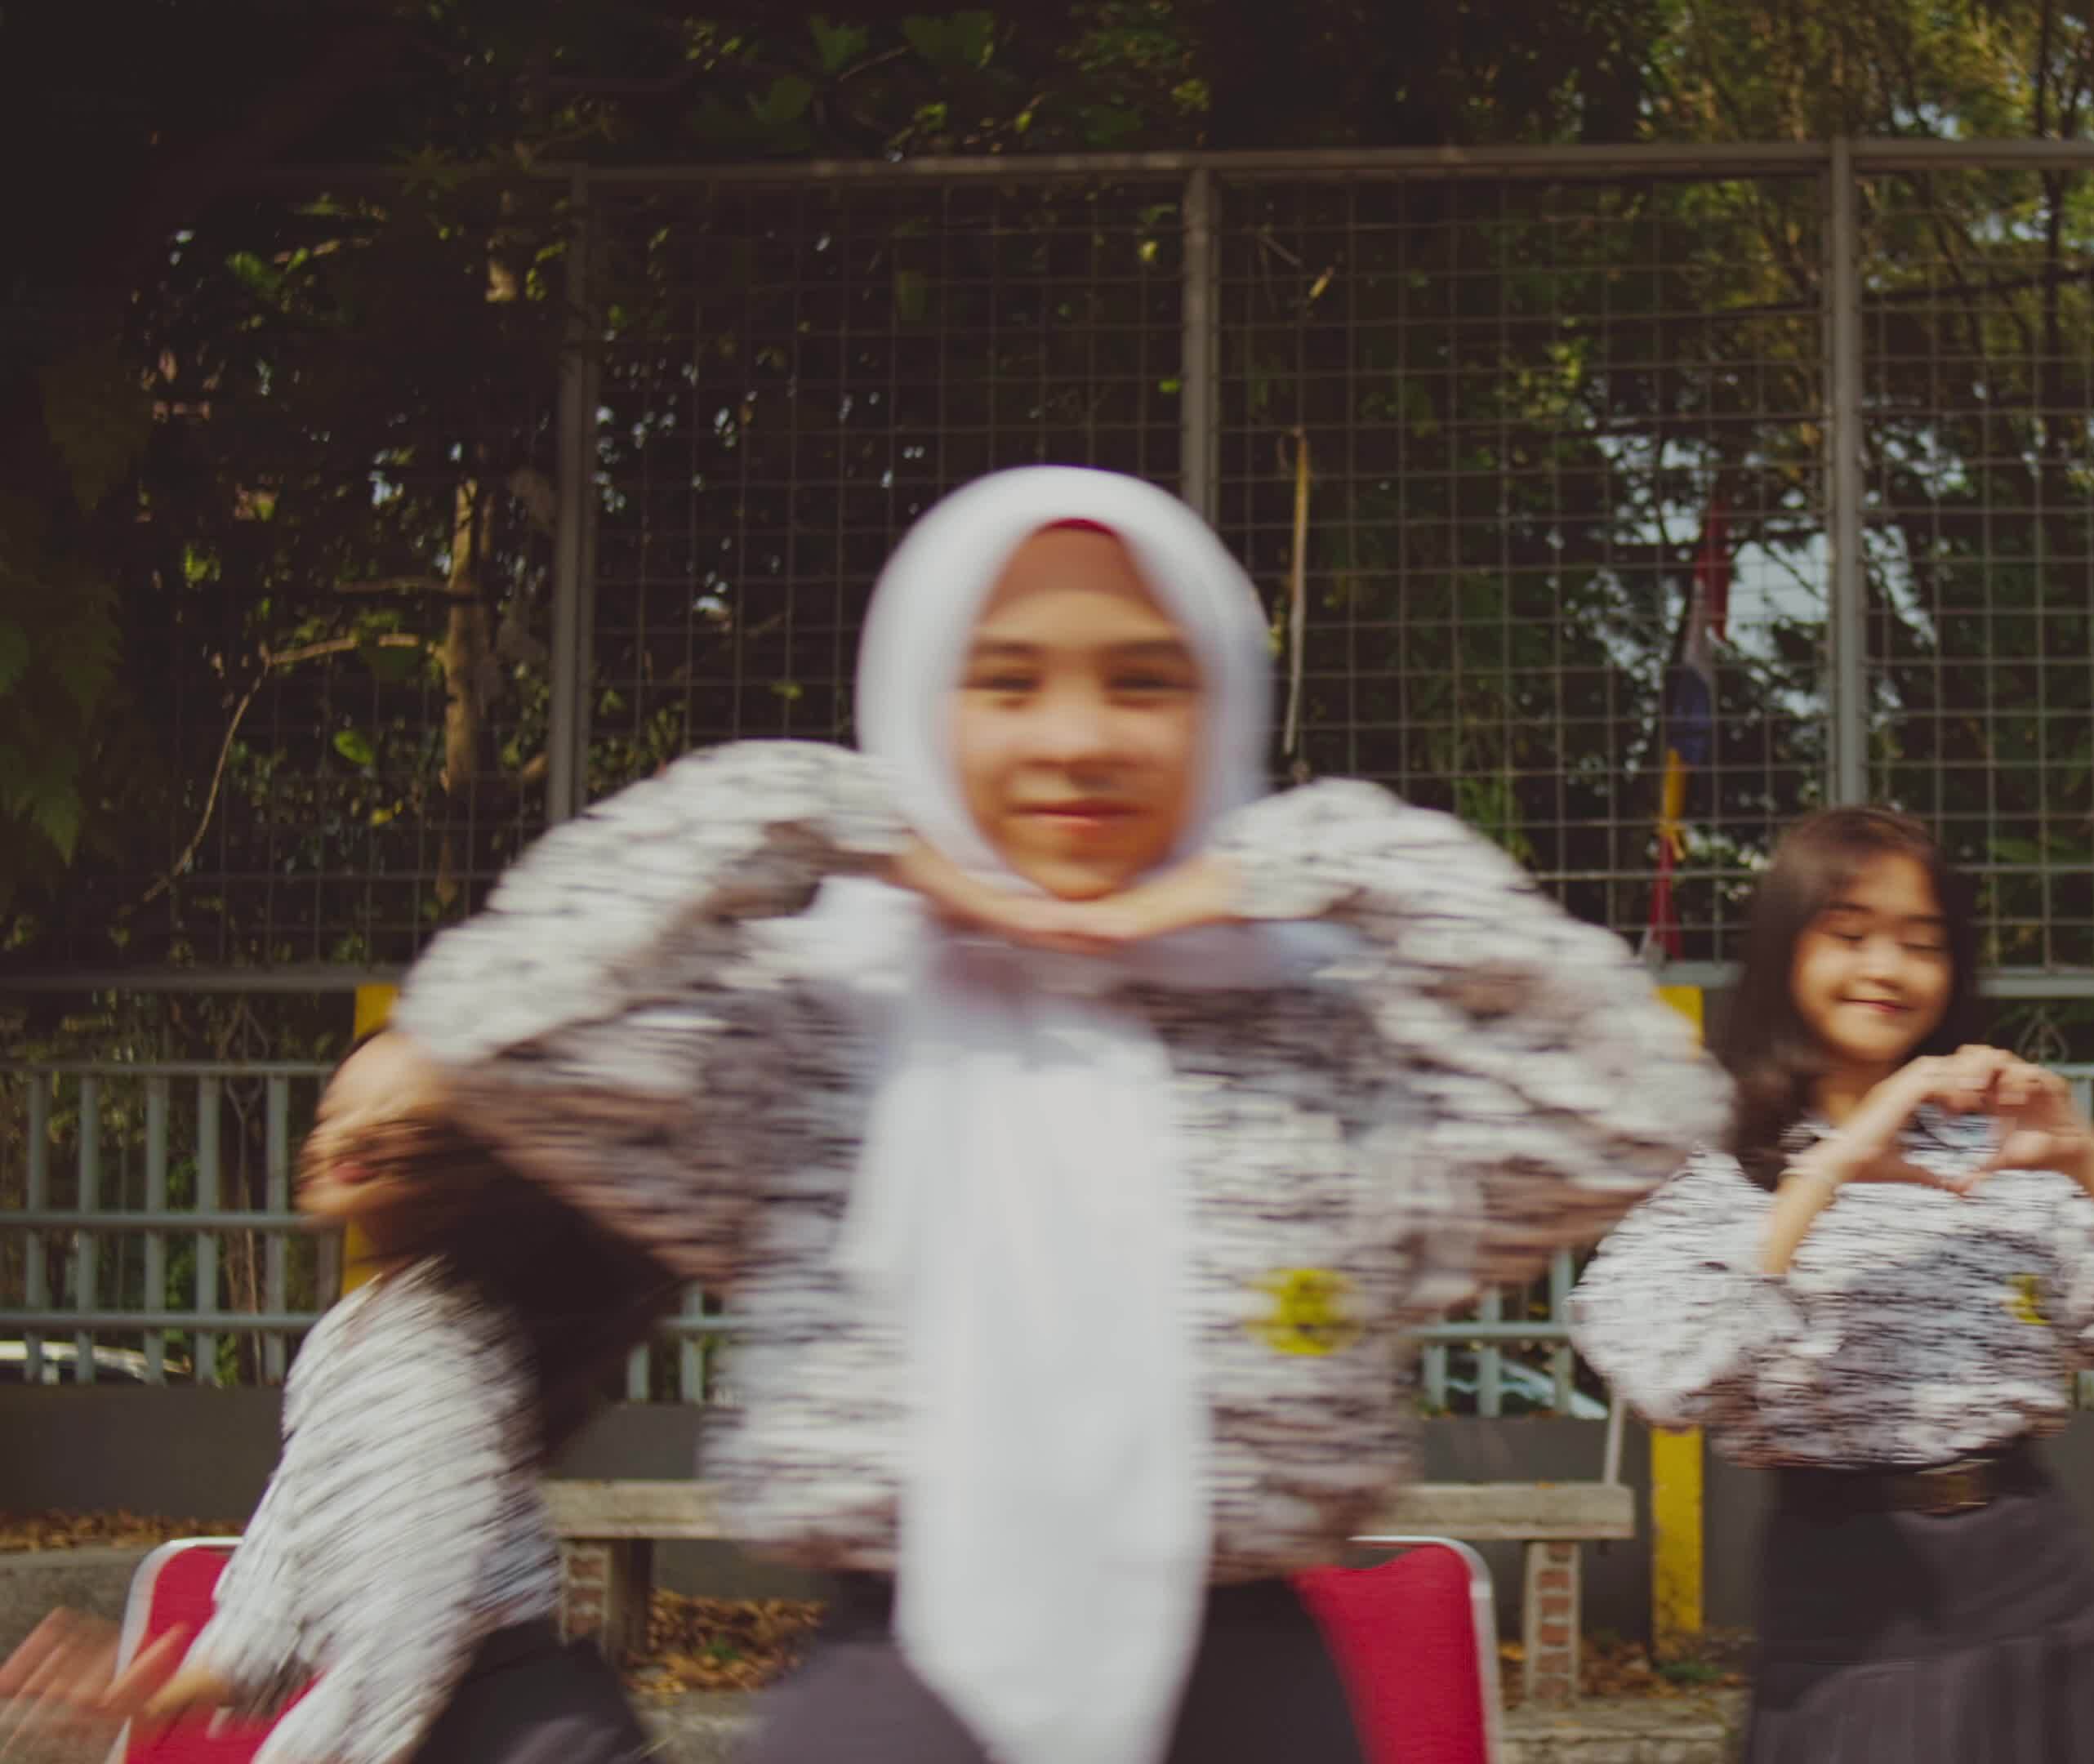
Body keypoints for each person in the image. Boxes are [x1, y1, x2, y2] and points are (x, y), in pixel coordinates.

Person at [385, 467, 1728, 1764]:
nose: (1076, 738)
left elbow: (1641, 1099)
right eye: (1003, 679)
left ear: (1222, 708)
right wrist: (847, 821)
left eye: (1145, 680)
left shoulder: (1331, 1039)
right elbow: (494, 1020)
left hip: (1254, 1697)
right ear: (918, 701)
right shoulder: (814, 1038)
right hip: (902, 1703)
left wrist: (1290, 868)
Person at [1567, 806, 2094, 1764]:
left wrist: (2093, 1162)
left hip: (2034, 1585)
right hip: (1844, 1599)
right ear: (1784, 952)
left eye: (1921, 943)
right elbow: (1672, 1381)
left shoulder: (2006, 1160)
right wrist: (1825, 1172)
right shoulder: (1711, 1177)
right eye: (1850, 935)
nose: (1886, 970)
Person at [0, 1030, 674, 1764]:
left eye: (392, 1115)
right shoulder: (356, 1330)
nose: (345, 1134)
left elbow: (395, 1659)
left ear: (470, 1155)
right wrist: (164, 1690)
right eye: (333, 1114)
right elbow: (288, 1553)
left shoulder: (434, 1352)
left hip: (507, 1733)